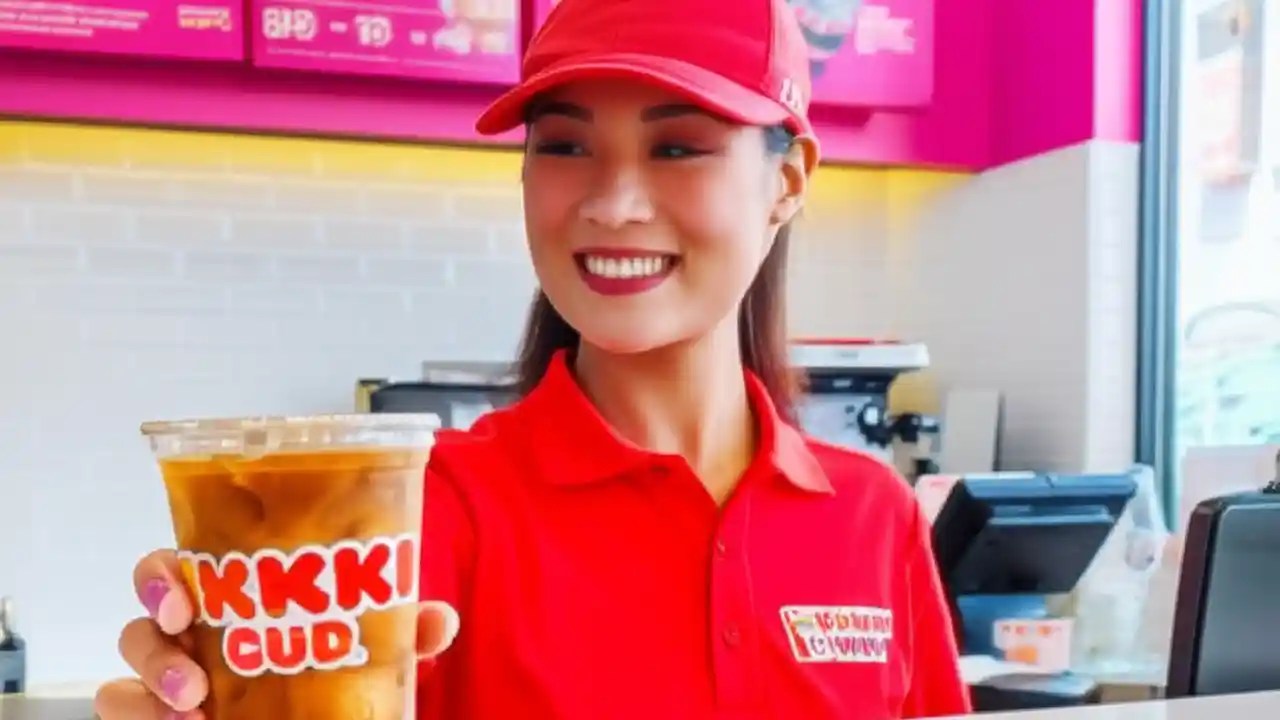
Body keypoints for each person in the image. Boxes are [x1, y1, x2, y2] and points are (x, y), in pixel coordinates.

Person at [94, 0, 971, 717]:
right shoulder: (424, 512)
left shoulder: (876, 520)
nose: (613, 203)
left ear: (787, 179)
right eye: (564, 145)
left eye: (677, 147)